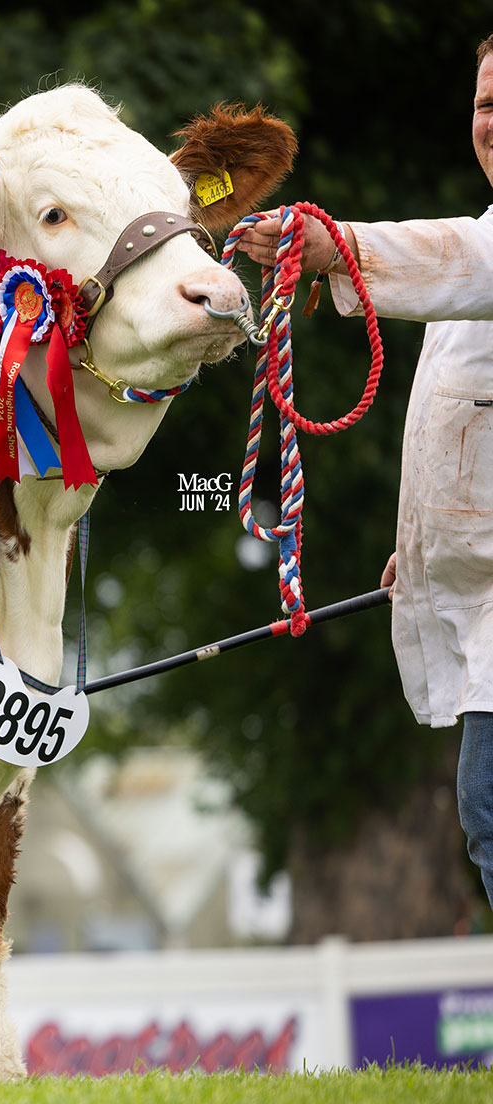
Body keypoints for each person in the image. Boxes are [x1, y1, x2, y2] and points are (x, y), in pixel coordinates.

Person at [239, 35, 493, 907]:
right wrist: (429, 548)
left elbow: (462, 260)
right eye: (487, 104)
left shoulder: (478, 256)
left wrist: (334, 245)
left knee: (488, 806)